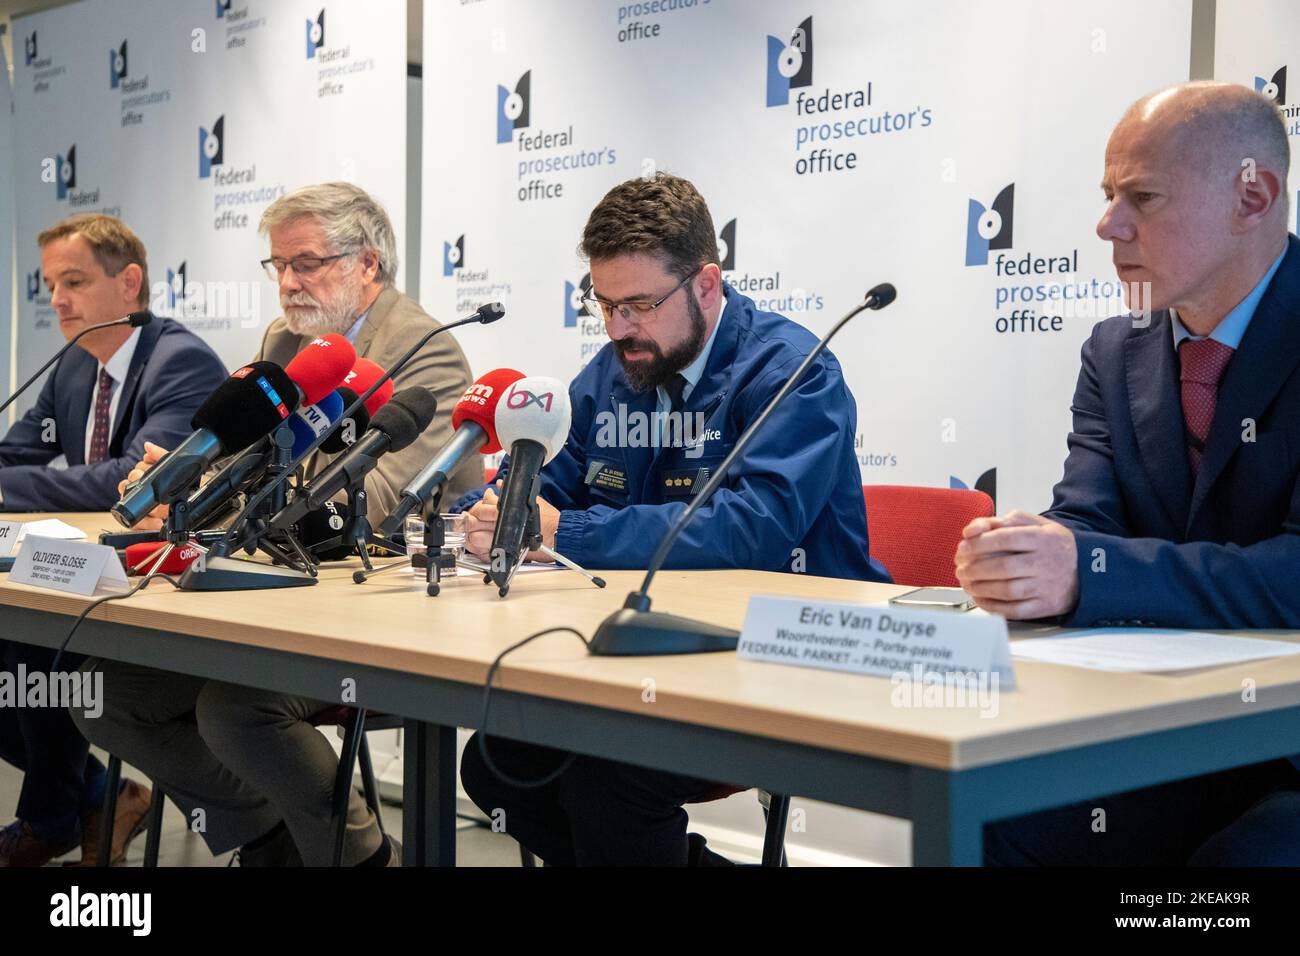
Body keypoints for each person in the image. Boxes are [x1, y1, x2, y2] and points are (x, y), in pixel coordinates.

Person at [457, 172, 888, 865]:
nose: (619, 327)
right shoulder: (610, 373)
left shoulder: (792, 370)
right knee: (496, 760)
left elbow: (750, 529)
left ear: (707, 285)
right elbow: (550, 484)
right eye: (604, 305)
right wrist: (491, 513)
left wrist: (565, 533)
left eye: (639, 305)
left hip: (785, 655)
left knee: (608, 779)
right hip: (649, 653)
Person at [74, 183, 479, 867]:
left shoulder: (425, 351)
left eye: (307, 263)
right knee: (100, 696)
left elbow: (374, 499)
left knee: (234, 710)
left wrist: (246, 485)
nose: (289, 283)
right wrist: (187, 482)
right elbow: (253, 459)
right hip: (275, 591)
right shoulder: (286, 342)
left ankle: (361, 857)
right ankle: (274, 842)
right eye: (279, 266)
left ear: (367, 264)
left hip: (376, 605)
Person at [955, 82, 1300, 865]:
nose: (1107, 225)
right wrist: (1027, 558)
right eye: (1109, 195)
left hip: (1286, 750)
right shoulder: (1116, 351)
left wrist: (1088, 570)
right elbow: (1088, 522)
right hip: (1164, 730)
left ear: (1254, 195)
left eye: (1141, 197)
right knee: (992, 824)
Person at [0, 213, 226, 866]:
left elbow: (129, 482)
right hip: (82, 567)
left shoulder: (180, 360)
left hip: (160, 578)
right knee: (16, 644)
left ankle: (51, 820)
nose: (58, 301)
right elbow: (22, 450)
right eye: (50, 286)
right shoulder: (75, 365)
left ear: (128, 283)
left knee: (32, 651)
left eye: (73, 281)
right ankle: (97, 796)